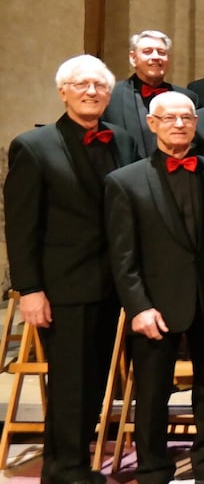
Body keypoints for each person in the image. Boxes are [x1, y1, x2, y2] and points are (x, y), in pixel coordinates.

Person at [5, 55, 138, 484]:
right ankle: (63, 469)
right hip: (62, 288)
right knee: (69, 384)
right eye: (81, 84)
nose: (91, 92)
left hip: (111, 284)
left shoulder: (123, 141)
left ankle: (77, 465)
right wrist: (30, 289)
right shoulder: (33, 146)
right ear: (63, 92)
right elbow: (21, 226)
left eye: (100, 86)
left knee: (95, 382)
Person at [105, 91, 204, 484]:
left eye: (186, 118)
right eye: (169, 118)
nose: (179, 124)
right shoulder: (125, 181)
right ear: (152, 124)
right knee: (153, 393)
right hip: (154, 305)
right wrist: (138, 307)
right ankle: (153, 469)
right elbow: (122, 255)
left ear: (196, 124)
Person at [104, 30, 199, 157]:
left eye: (161, 52)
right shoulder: (111, 95)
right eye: (147, 51)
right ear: (133, 58)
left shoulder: (187, 97)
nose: (155, 57)